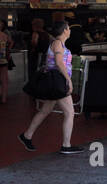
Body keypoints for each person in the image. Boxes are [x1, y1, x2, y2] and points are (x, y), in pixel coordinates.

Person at [18, 20, 84, 155]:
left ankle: (27, 135)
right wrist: (68, 80)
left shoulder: (57, 43)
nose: (70, 30)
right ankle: (66, 145)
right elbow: (59, 63)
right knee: (70, 113)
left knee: (44, 111)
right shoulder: (58, 44)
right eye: (68, 28)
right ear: (64, 30)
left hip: (54, 82)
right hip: (58, 81)